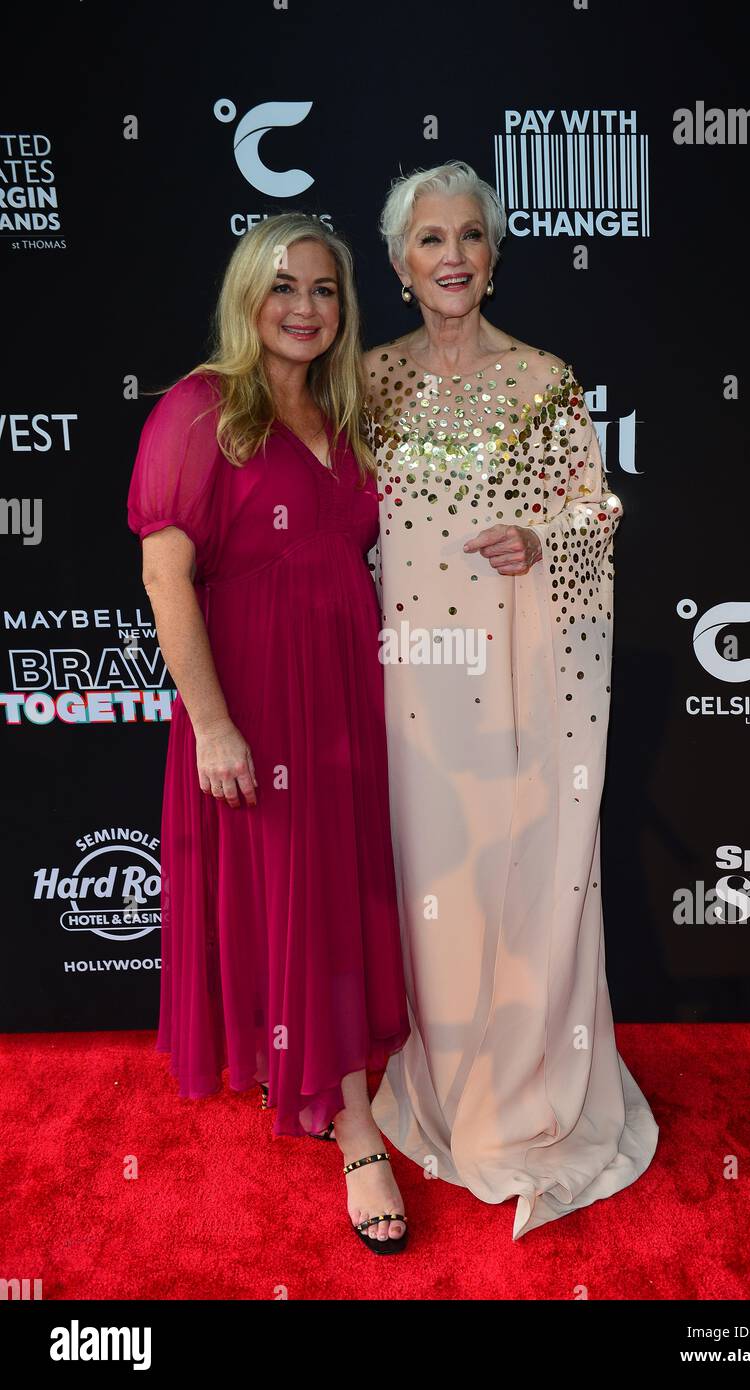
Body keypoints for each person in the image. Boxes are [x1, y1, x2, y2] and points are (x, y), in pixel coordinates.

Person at [363, 161, 659, 1239]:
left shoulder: (543, 382)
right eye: (429, 239)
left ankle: (526, 1093)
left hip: (521, 681)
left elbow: (594, 518)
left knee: (518, 874)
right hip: (412, 688)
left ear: (493, 256)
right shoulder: (368, 380)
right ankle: (449, 1077)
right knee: (438, 886)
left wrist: (542, 538)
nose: (451, 256)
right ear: (399, 266)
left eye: (470, 236)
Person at [127, 212, 411, 1252]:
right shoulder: (204, 408)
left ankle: (322, 1073)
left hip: (344, 690)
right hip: (253, 695)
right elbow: (165, 577)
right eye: (284, 286)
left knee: (330, 890)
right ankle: (357, 1130)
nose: (305, 307)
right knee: (301, 890)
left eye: (325, 290)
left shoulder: (342, 408)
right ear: (248, 296)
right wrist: (213, 726)